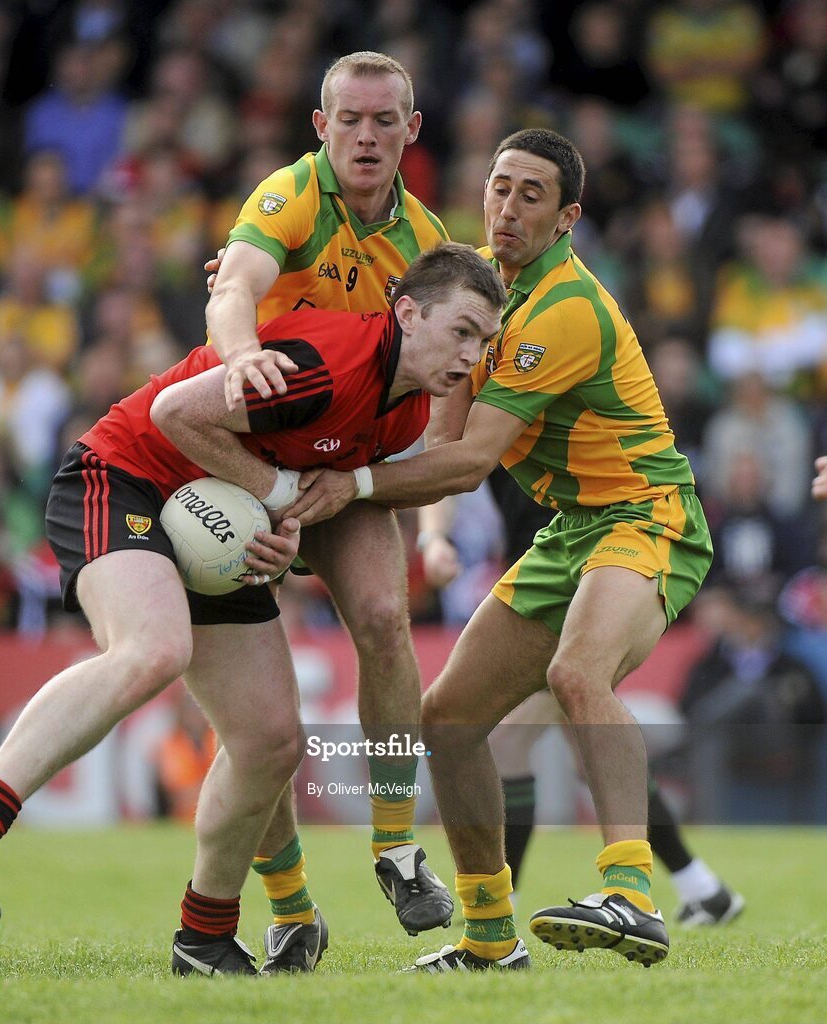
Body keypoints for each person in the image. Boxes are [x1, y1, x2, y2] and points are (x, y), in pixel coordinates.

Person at [0, 242, 507, 977]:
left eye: (485, 342)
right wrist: (282, 500)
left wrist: (289, 523)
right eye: (463, 332)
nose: (472, 355)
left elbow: (333, 479)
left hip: (217, 519)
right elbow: (172, 412)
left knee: (269, 739)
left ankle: (204, 937)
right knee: (153, 650)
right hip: (125, 476)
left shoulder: (406, 402)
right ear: (408, 312)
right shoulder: (328, 365)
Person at [288, 128, 714, 971]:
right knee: (448, 720)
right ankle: (489, 935)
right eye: (498, 185)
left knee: (576, 673)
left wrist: (352, 487)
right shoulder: (477, 289)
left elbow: (472, 457)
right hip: (569, 532)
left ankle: (632, 894)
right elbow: (437, 433)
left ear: (567, 219)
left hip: (646, 514)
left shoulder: (561, 310)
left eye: (531, 195)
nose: (507, 206)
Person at [202, 51, 454, 966]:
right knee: (258, 714)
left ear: (410, 132)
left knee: (389, 617)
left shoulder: (425, 245)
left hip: (344, 464)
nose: (366, 135)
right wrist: (238, 357)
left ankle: (395, 846)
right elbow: (233, 287)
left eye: (385, 120)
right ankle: (291, 904)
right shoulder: (290, 197)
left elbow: (441, 376)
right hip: (244, 464)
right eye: (349, 119)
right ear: (321, 127)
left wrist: (394, 493)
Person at [421, 484, 744, 928]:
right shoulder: (485, 421)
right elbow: (450, 471)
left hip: (586, 586)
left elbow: (453, 460)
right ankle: (702, 887)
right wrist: (433, 537)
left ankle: (502, 900)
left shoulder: (533, 422)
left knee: (510, 741)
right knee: (595, 757)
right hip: (539, 582)